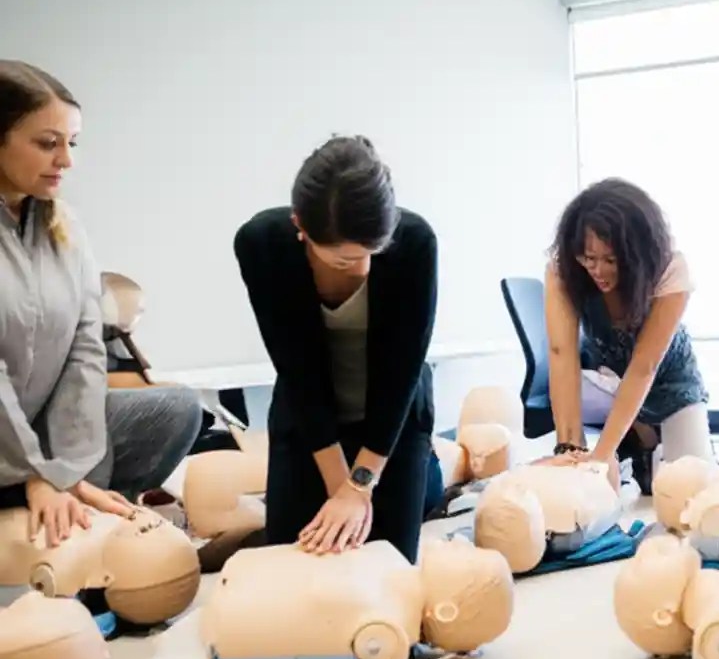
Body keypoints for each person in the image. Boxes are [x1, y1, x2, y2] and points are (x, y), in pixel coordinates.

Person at [0, 60, 202, 547]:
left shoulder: (64, 225)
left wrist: (64, 471)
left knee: (176, 409)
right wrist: (32, 474)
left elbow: (84, 348)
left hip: (39, 433)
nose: (66, 160)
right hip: (9, 447)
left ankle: (84, 524)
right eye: (48, 143)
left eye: (72, 143)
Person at [234, 135, 442, 563]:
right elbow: (297, 368)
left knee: (387, 567)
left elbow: (403, 371)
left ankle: (429, 470)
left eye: (371, 253)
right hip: (307, 420)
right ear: (301, 227)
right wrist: (338, 489)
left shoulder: (415, 243)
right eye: (343, 259)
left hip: (392, 423)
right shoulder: (262, 245)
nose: (361, 267)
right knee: (294, 562)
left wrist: (359, 486)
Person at [544, 177, 713, 494]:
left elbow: (644, 366)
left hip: (668, 384)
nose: (598, 271)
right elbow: (560, 352)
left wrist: (604, 451)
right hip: (610, 381)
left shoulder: (670, 268)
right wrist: (570, 448)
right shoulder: (564, 268)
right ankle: (638, 435)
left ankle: (645, 437)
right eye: (588, 258)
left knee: (690, 489)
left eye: (611, 260)